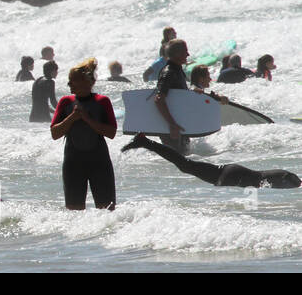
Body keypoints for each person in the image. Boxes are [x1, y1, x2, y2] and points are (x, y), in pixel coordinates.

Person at [49, 58, 117, 211]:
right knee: (73, 211)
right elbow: (55, 133)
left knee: (107, 210)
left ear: (87, 82)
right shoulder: (66, 102)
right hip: (73, 163)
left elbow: (112, 133)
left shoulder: (102, 101)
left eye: (72, 81)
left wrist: (87, 119)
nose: (69, 85)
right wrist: (72, 117)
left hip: (100, 163)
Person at [122, 135, 300, 189]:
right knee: (186, 166)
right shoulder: (292, 179)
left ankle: (146, 142)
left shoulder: (290, 178)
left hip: (235, 172)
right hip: (237, 176)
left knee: (185, 165)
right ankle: (145, 142)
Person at [154, 40, 190, 151]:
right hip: (172, 128)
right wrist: (172, 124)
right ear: (177, 54)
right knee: (178, 159)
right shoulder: (169, 72)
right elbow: (159, 99)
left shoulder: (177, 70)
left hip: (178, 123)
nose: (188, 54)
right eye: (185, 51)